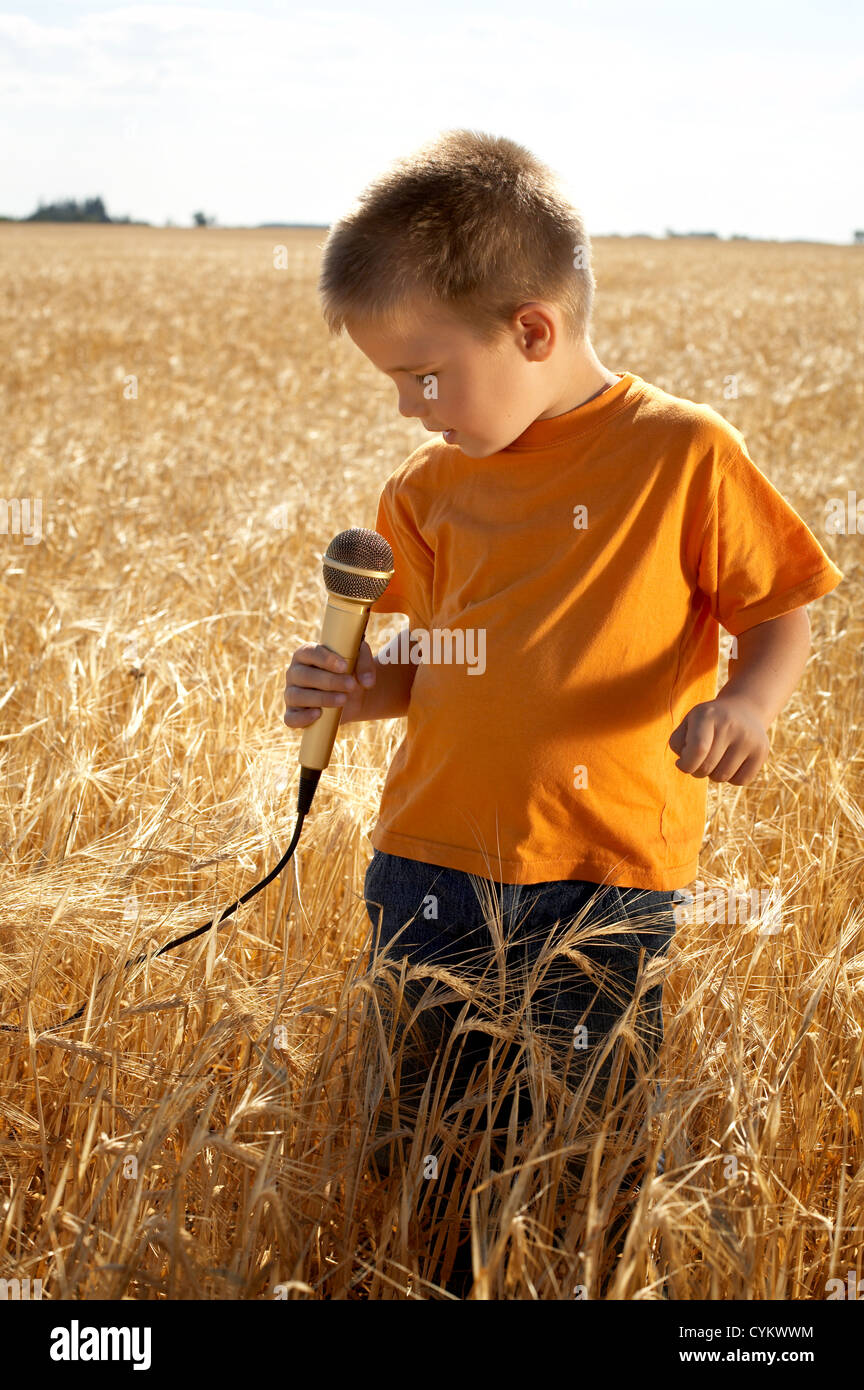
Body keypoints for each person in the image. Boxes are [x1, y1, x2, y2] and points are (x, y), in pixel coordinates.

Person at [283, 130, 843, 1298]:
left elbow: (782, 607)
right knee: (427, 1144)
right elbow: (425, 653)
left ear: (531, 331)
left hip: (603, 879)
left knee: (584, 1152)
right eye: (393, 383)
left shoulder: (683, 454)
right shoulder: (429, 487)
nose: (408, 408)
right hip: (427, 864)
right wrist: (360, 686)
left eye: (423, 376)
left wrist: (750, 701)